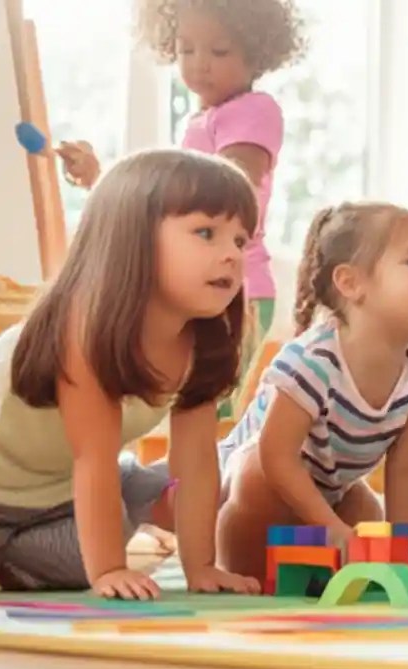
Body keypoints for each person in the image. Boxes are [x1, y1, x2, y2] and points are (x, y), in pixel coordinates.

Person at [0, 149, 261, 600]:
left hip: (62, 489)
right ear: (130, 239)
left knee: (214, 491)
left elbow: (195, 462)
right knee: (92, 555)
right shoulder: (82, 329)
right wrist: (109, 572)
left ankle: (27, 555)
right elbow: (91, 459)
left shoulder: (204, 340)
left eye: (240, 241)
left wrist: (200, 566)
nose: (232, 256)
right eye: (206, 233)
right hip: (13, 491)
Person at [59, 0, 308, 418]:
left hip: (234, 289)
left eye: (219, 51)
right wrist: (100, 180)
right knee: (186, 404)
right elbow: (172, 211)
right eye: (186, 50)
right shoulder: (203, 121)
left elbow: (226, 194)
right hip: (200, 286)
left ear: (257, 50)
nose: (199, 65)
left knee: (208, 410)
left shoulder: (254, 111)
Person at [216, 203, 408, 582]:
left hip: (329, 488)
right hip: (248, 481)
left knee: (368, 514)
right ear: (351, 283)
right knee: (257, 476)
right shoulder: (313, 361)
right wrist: (332, 529)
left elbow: (406, 469)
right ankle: (239, 564)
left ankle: (313, 566)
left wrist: (399, 546)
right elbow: (276, 458)